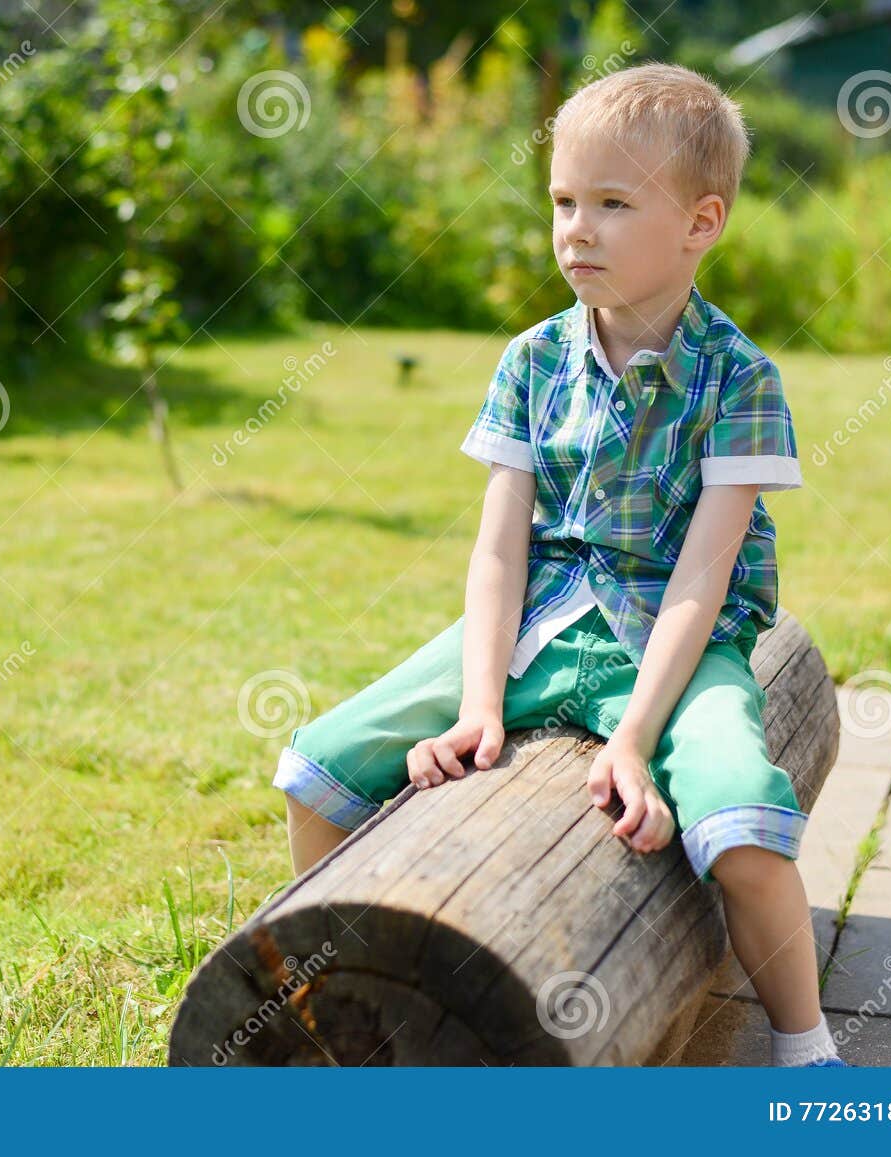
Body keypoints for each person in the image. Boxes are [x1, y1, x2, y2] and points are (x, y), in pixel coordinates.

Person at [273, 62, 846, 1068]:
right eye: (563, 201)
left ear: (701, 222)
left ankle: (807, 1049)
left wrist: (633, 739)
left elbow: (702, 579)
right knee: (314, 769)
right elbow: (498, 547)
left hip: (672, 639)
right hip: (537, 623)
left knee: (742, 819)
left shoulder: (741, 378)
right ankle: (325, 1013)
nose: (575, 227)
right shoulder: (530, 360)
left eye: (612, 204)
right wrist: (480, 704)